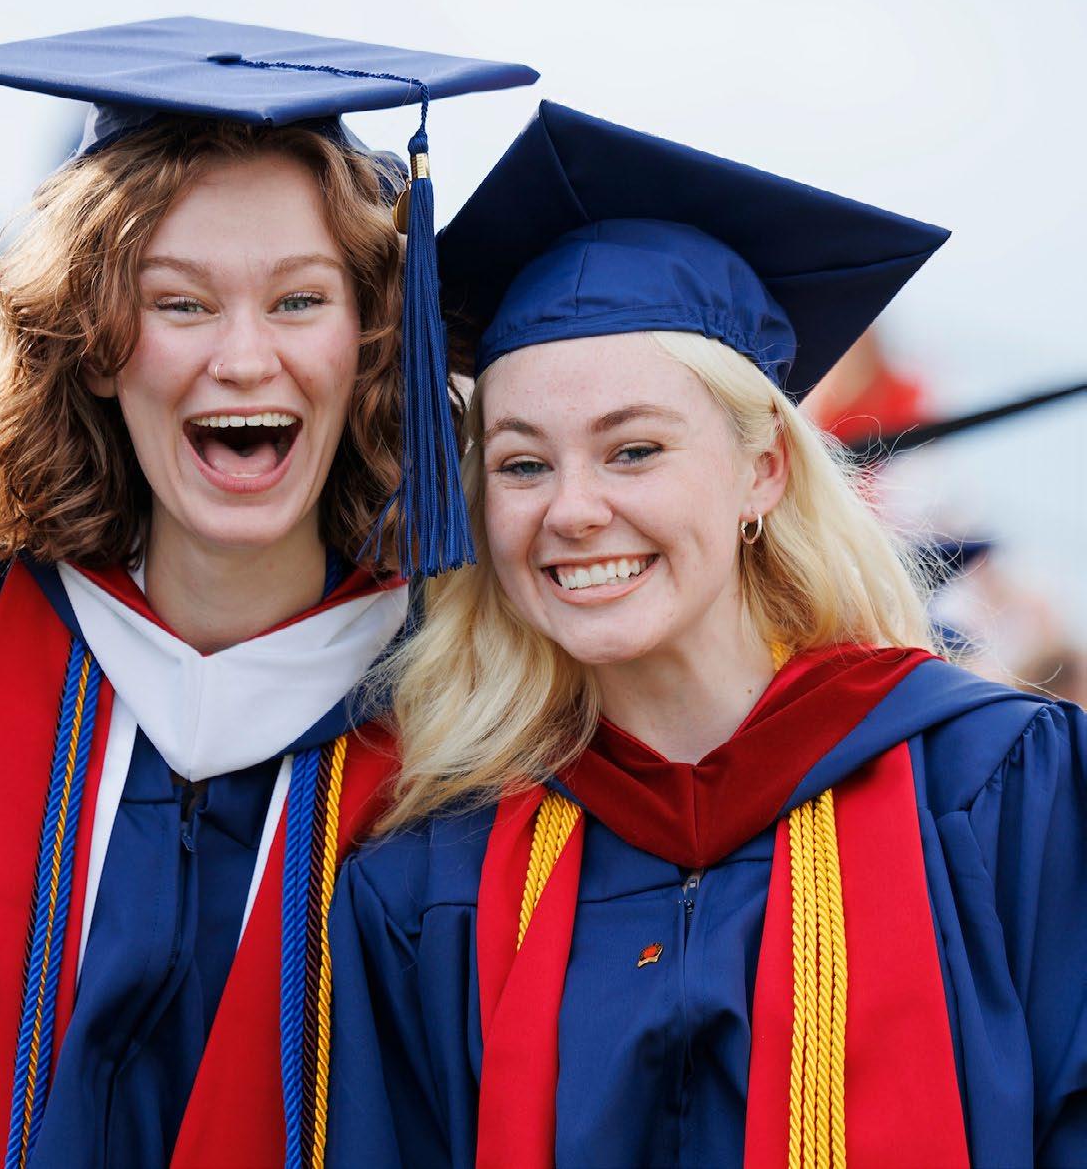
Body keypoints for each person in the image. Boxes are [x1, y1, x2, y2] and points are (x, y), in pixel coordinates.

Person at [0, 17, 536, 1168]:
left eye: (299, 301)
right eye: (179, 303)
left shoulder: (471, 703)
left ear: (372, 337)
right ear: (94, 341)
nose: (243, 358)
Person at [326, 101, 1087, 1168]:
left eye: (632, 450)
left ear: (763, 469)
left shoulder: (997, 786)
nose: (573, 509)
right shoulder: (428, 886)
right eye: (522, 463)